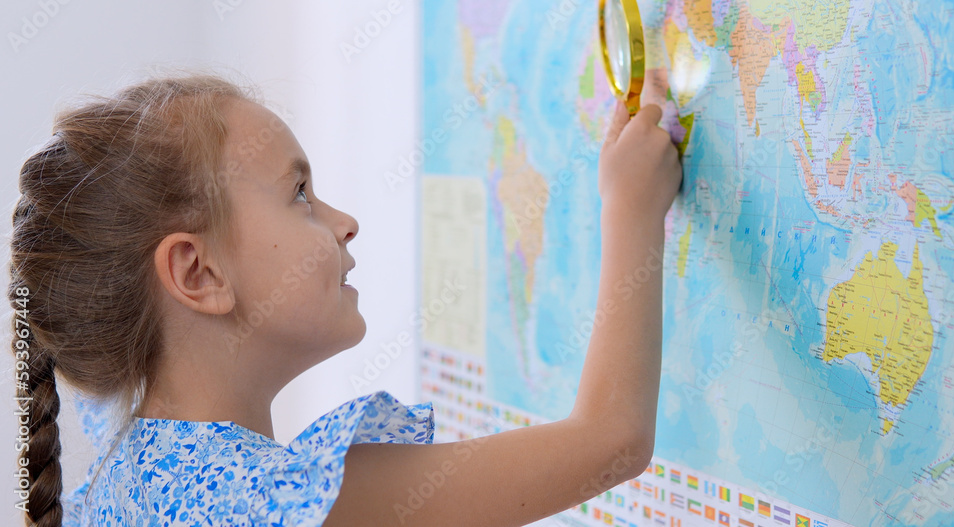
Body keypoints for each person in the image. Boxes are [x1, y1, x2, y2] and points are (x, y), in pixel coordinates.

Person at [10, 71, 682, 527]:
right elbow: (611, 441)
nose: (343, 221)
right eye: (298, 192)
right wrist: (631, 207)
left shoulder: (128, 470)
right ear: (198, 272)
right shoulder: (273, 504)